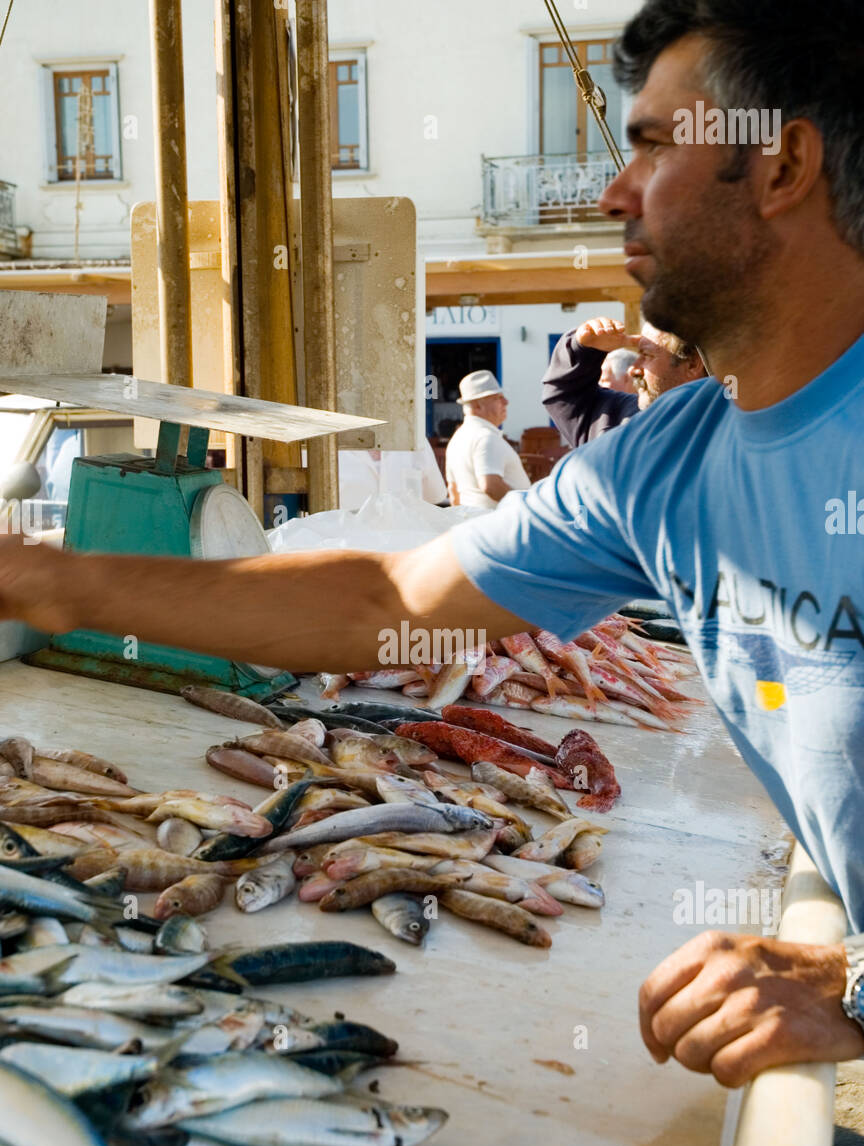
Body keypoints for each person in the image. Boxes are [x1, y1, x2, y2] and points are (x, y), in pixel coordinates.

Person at [2, 0, 863, 1089]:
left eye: (651, 144)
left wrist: (859, 981)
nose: (612, 190)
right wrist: (51, 580)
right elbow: (388, 605)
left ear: (782, 164)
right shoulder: (668, 461)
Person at [543, 317, 707, 447]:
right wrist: (583, 349)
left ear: (692, 364)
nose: (633, 368)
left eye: (647, 355)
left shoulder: (724, 433)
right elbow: (564, 397)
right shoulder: (617, 417)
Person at [444, 370, 530, 509]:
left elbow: (454, 494)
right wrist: (526, 509)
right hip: (499, 524)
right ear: (478, 406)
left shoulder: (457, 439)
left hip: (473, 524)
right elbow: (490, 485)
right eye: (497, 397)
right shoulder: (485, 437)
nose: (506, 402)